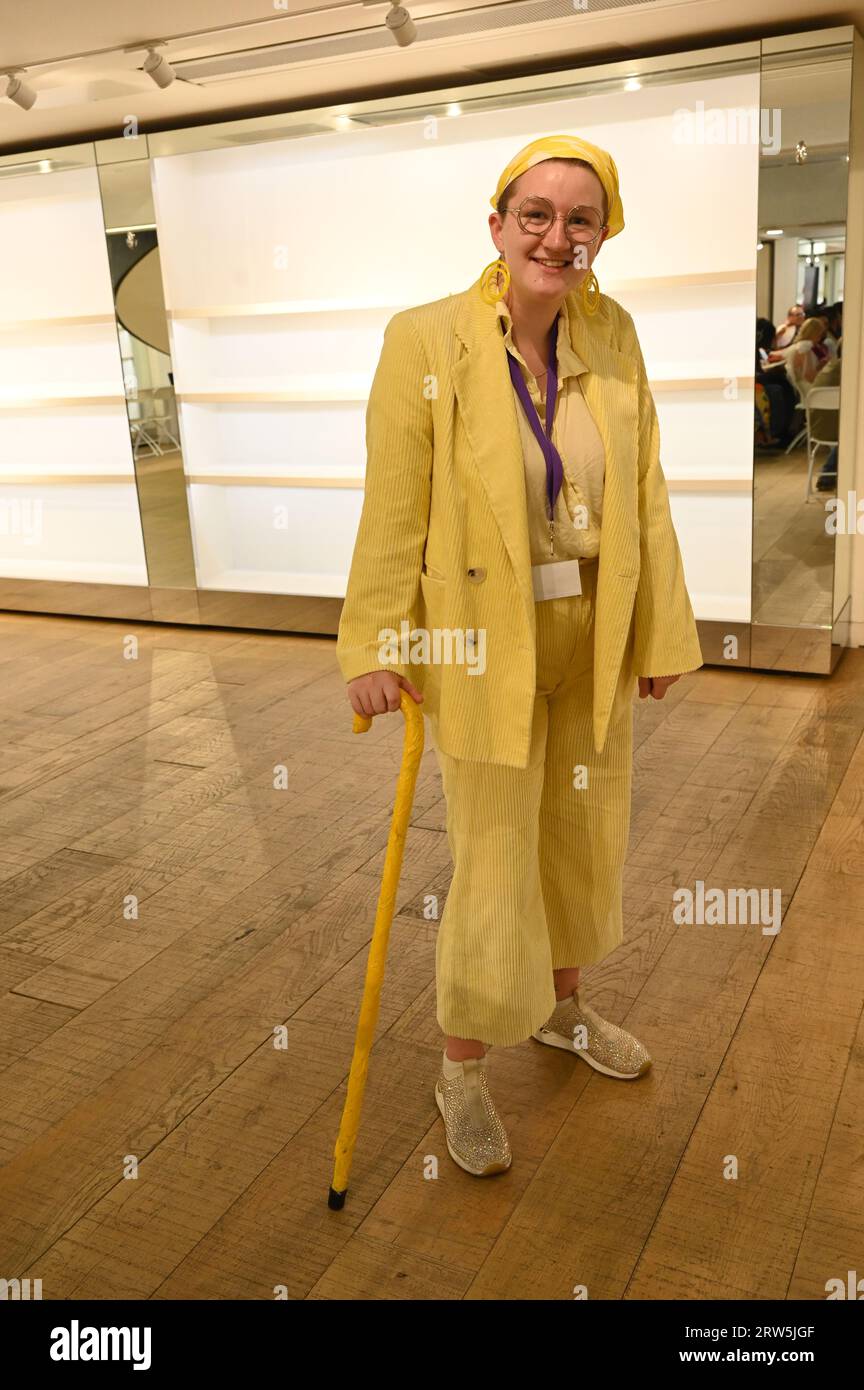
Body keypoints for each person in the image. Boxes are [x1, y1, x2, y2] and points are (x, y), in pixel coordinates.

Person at [336, 134, 703, 1177]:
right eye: (535, 213)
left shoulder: (614, 334)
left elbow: (648, 494)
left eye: (580, 218)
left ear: (603, 235)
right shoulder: (426, 341)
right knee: (495, 862)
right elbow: (394, 508)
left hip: (589, 634)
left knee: (582, 840)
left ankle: (561, 1011)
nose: (557, 234)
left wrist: (661, 631)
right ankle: (461, 1067)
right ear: (497, 225)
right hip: (479, 644)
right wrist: (376, 640)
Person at [766, 317, 828, 404]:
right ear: (815, 334)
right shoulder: (805, 347)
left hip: (800, 388)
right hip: (808, 390)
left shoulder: (797, 346)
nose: (820, 338)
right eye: (820, 334)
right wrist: (822, 368)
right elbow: (809, 376)